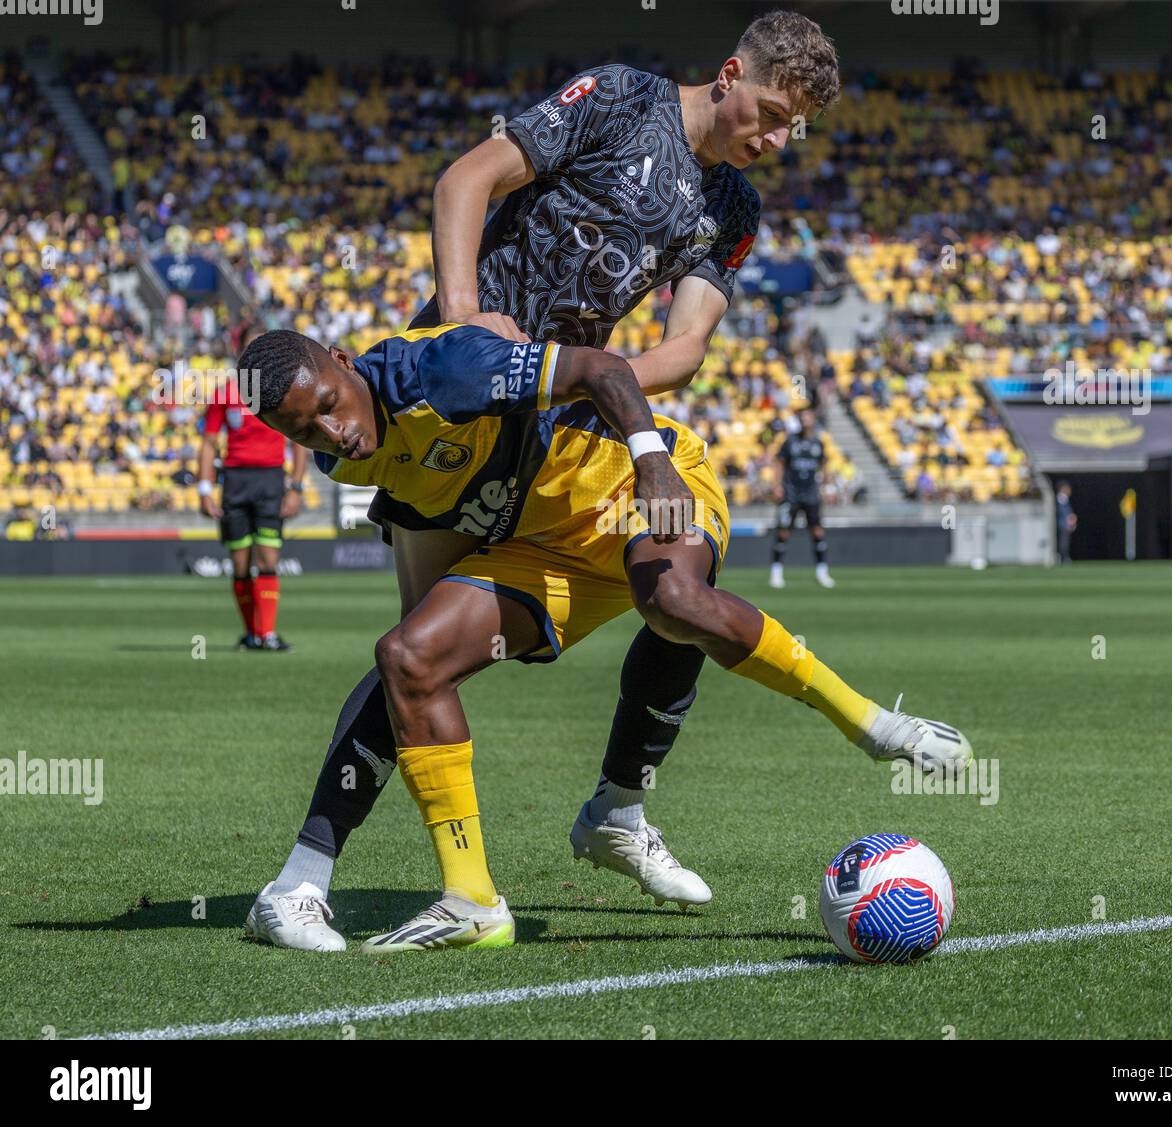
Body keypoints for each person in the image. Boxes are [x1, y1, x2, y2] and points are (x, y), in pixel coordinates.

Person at [248, 9, 844, 944]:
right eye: (766, 112)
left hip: (552, 426)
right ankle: (298, 881)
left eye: (790, 130)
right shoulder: (621, 98)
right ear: (730, 73)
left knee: (681, 574)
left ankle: (618, 807)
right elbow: (468, 178)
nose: (771, 139)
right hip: (442, 413)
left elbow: (684, 349)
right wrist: (465, 322)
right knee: (415, 651)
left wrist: (573, 384)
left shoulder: (735, 208)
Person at [241, 326, 973, 952]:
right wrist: (428, 668)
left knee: (673, 601)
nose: (331, 434)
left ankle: (876, 726)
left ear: (343, 360)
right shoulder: (347, 460)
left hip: (639, 484)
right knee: (409, 657)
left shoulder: (438, 369)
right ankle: (472, 900)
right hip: (546, 551)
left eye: (330, 409)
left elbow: (600, 369)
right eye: (303, 431)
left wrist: (652, 460)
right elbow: (424, 579)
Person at [198, 369, 308, 650]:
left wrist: (295, 488)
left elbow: (297, 441)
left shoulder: (281, 390)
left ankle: (267, 633)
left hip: (270, 480)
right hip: (234, 481)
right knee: (240, 564)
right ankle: (251, 634)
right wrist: (204, 489)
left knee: (268, 560)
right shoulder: (225, 392)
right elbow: (209, 443)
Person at [770, 406, 834, 589]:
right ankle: (776, 573)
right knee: (783, 532)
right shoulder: (790, 441)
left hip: (811, 494)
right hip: (790, 493)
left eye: (808, 416)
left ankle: (822, 573)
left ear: (814, 418)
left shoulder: (818, 443)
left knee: (817, 532)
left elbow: (824, 465)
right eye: (802, 417)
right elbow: (779, 463)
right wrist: (776, 485)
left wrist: (827, 486)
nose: (805, 420)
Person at [1055, 481, 1076, 564]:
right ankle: (1063, 557)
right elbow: (1065, 512)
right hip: (1063, 524)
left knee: (1065, 541)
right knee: (1064, 542)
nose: (1069, 490)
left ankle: (1063, 557)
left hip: (1064, 524)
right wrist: (1070, 520)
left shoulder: (1064, 499)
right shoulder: (1061, 498)